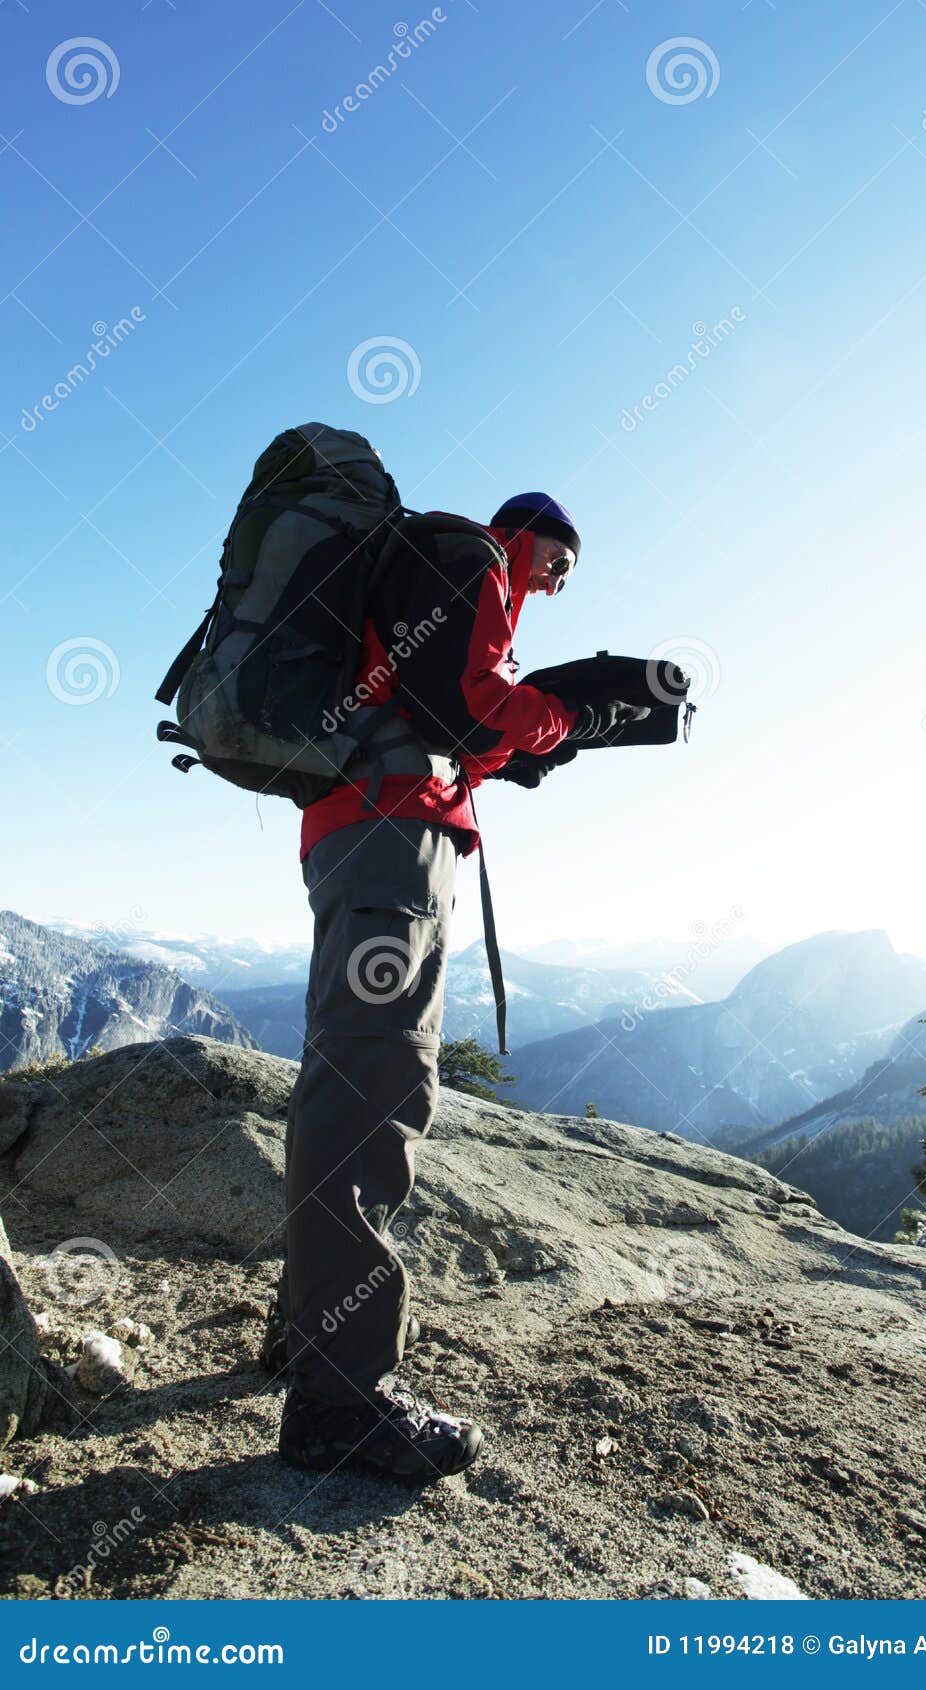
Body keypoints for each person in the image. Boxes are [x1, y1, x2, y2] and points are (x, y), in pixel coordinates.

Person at [270, 492, 638, 1484]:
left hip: (353, 833)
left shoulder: (414, 574)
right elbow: (476, 700)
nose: (555, 583)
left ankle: (302, 1331)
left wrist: (511, 749)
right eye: (558, 562)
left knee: (339, 1074)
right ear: (530, 534)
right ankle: (339, 1403)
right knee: (375, 1089)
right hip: (397, 846)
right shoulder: (474, 560)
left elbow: (445, 712)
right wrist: (567, 717)